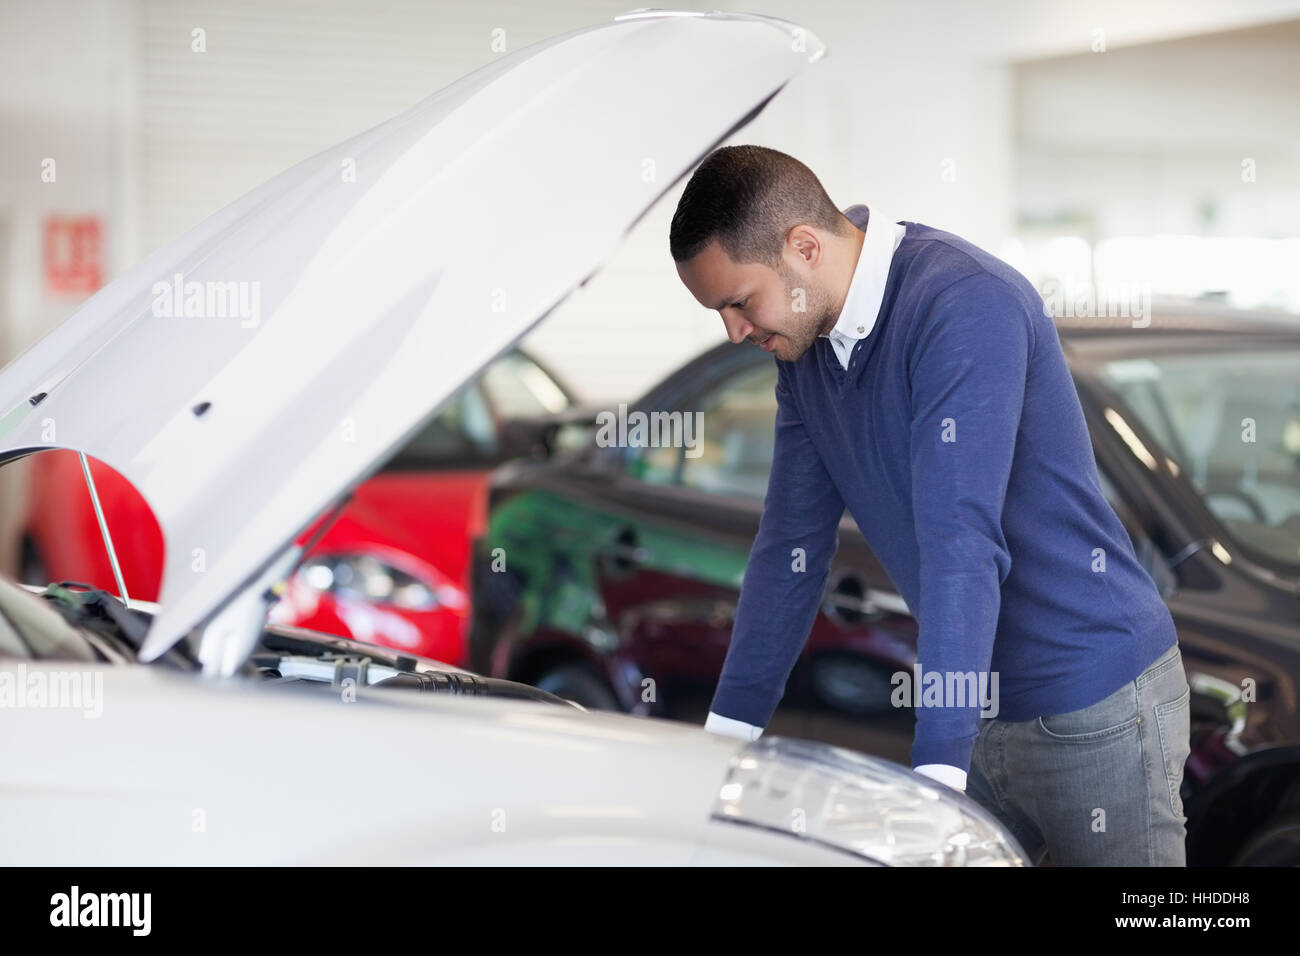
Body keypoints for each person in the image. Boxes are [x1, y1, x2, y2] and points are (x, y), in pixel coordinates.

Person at [668, 144, 1191, 866]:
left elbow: (960, 543)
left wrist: (936, 779)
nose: (733, 331)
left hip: (1092, 703)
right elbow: (790, 547)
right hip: (972, 701)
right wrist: (722, 748)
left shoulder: (963, 303)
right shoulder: (806, 348)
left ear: (804, 247)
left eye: (738, 301)